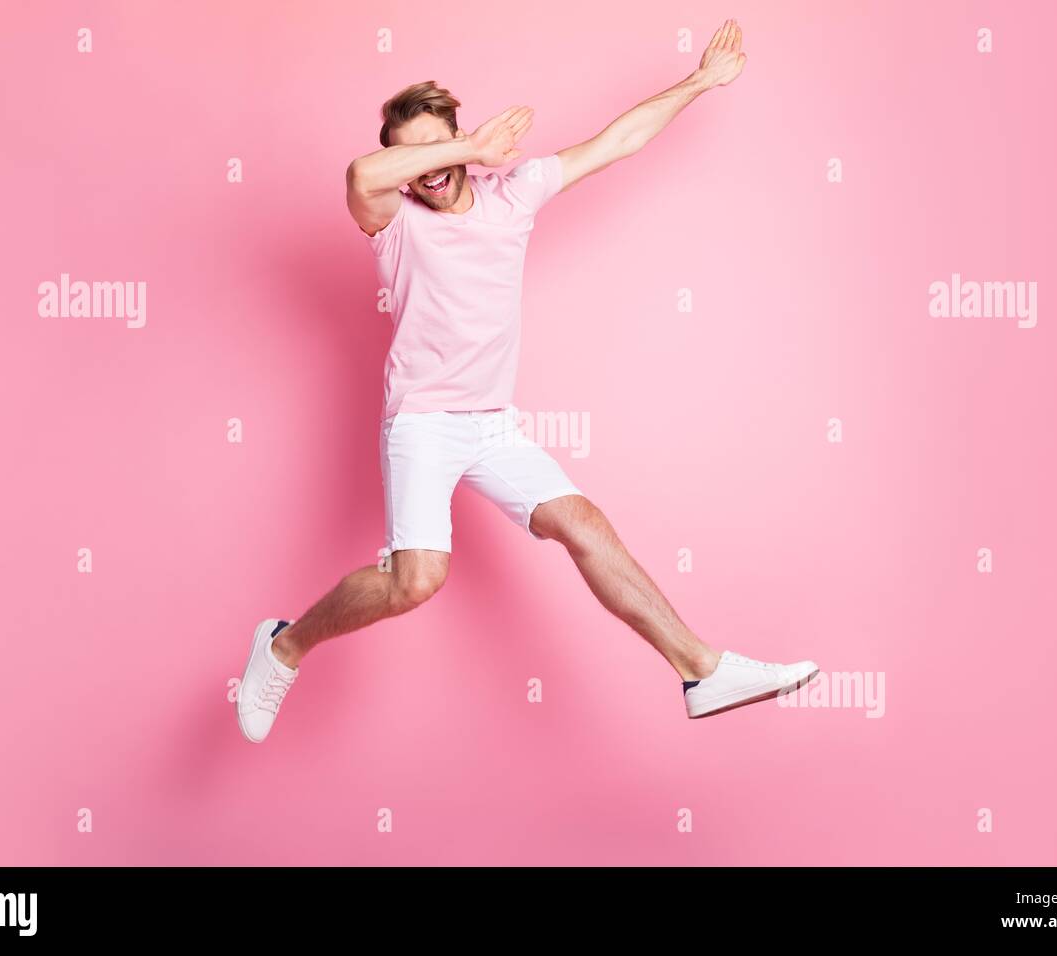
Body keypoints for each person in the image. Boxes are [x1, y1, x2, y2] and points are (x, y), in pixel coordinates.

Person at [237, 19, 816, 742]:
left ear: (463, 138)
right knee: (415, 582)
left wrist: (700, 81)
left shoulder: (515, 193)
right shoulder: (394, 221)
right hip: (423, 421)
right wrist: (463, 147)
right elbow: (360, 175)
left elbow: (616, 141)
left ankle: (701, 668)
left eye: (441, 146)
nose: (430, 169)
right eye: (413, 156)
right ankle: (283, 645)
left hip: (492, 422)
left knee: (581, 522)